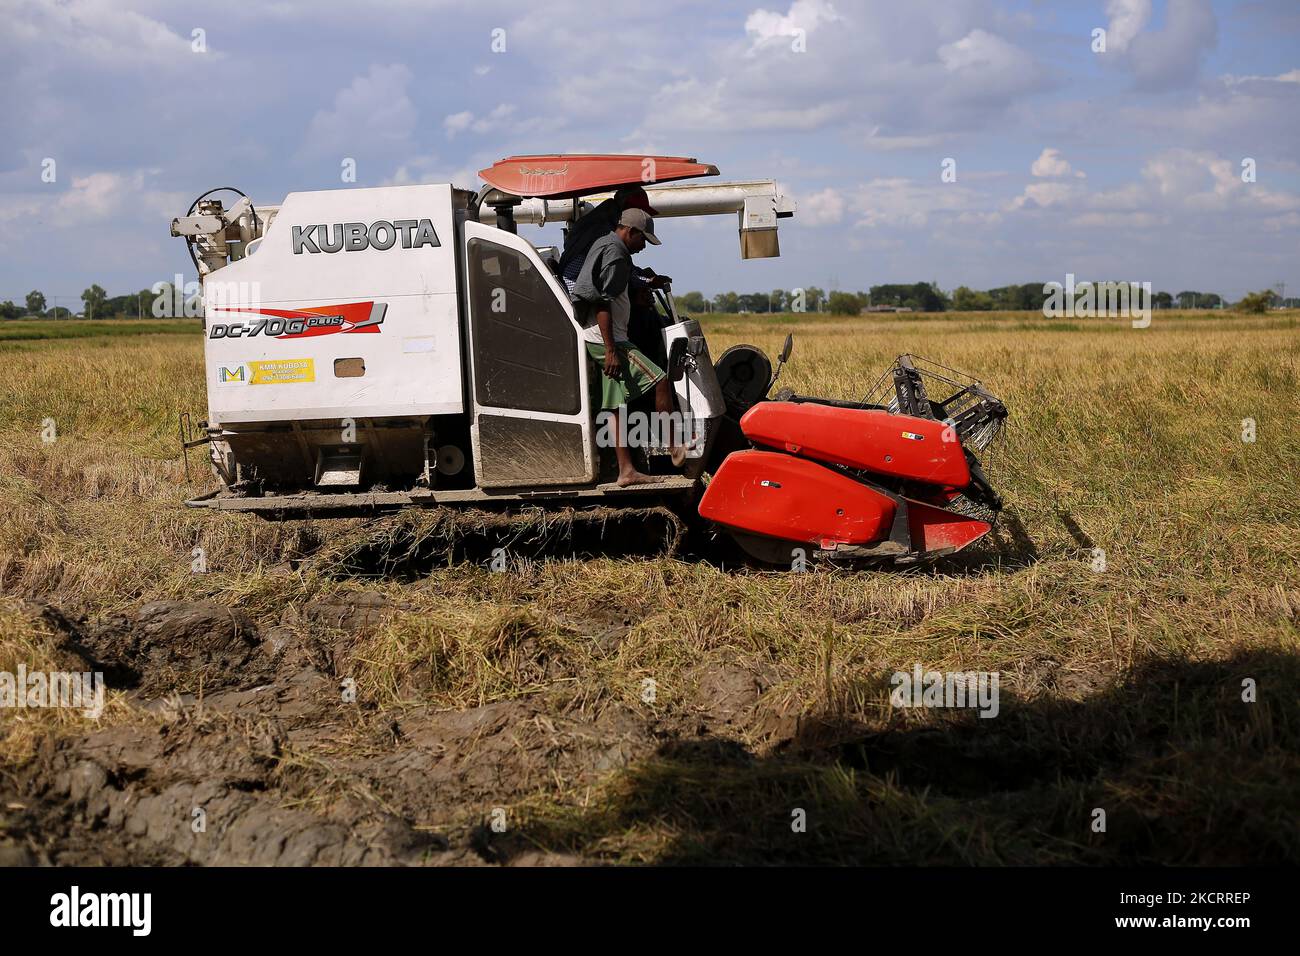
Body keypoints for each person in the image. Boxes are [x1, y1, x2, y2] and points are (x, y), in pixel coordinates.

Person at [571, 208, 685, 486]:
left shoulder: (605, 244)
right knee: (660, 380)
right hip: (609, 339)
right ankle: (674, 444)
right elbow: (602, 302)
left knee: (614, 406)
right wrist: (611, 349)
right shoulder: (616, 253)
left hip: (601, 336)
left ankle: (626, 471)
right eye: (642, 239)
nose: (643, 246)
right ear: (630, 231)